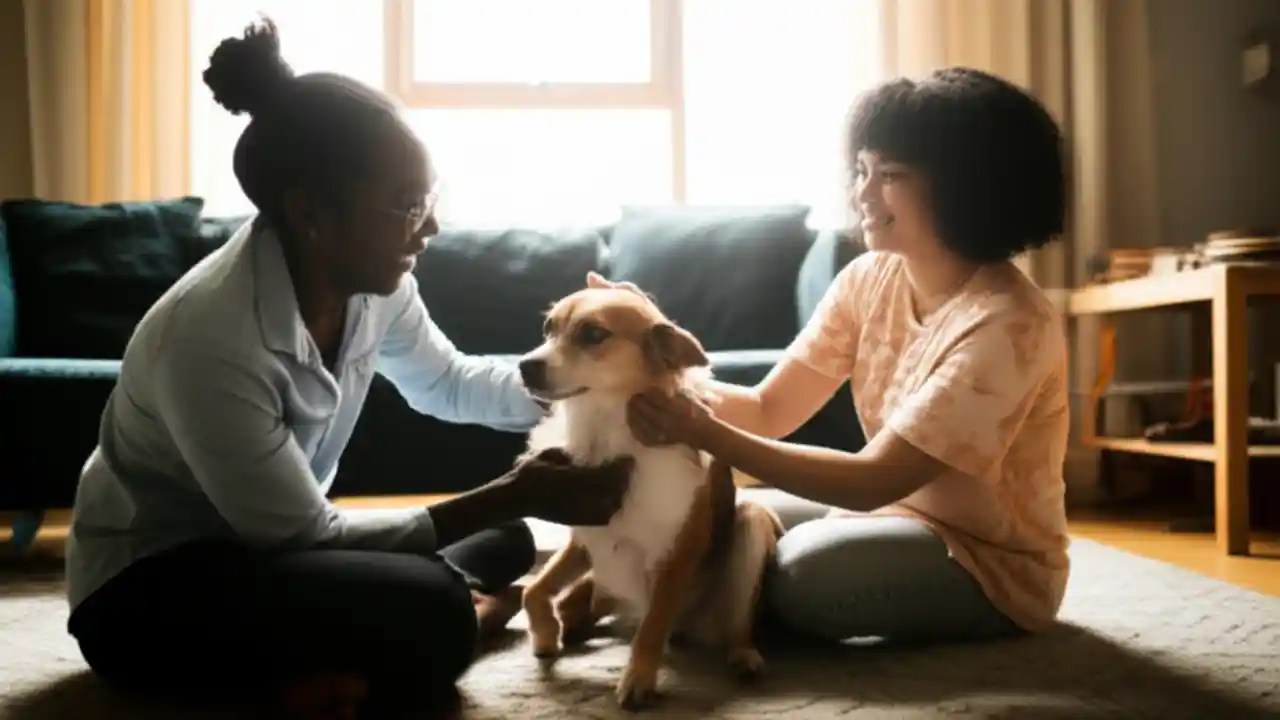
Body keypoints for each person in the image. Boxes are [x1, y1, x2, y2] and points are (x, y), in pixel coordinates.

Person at [63, 19, 632, 719]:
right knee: (438, 609)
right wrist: (509, 491)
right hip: (159, 581)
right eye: (408, 205)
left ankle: (363, 644)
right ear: (312, 214)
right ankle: (451, 615)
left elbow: (447, 382)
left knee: (506, 540)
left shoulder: (378, 284)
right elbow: (305, 537)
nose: (431, 227)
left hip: (283, 553)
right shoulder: (210, 340)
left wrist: (592, 387)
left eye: (430, 197)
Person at [621, 67, 1071, 644]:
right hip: (889, 519)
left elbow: (872, 481)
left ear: (966, 185)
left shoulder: (1010, 323)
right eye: (862, 171)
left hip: (989, 566)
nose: (863, 194)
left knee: (800, 574)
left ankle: (713, 604)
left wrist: (702, 431)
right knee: (710, 520)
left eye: (891, 175)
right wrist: (646, 357)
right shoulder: (868, 278)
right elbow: (766, 409)